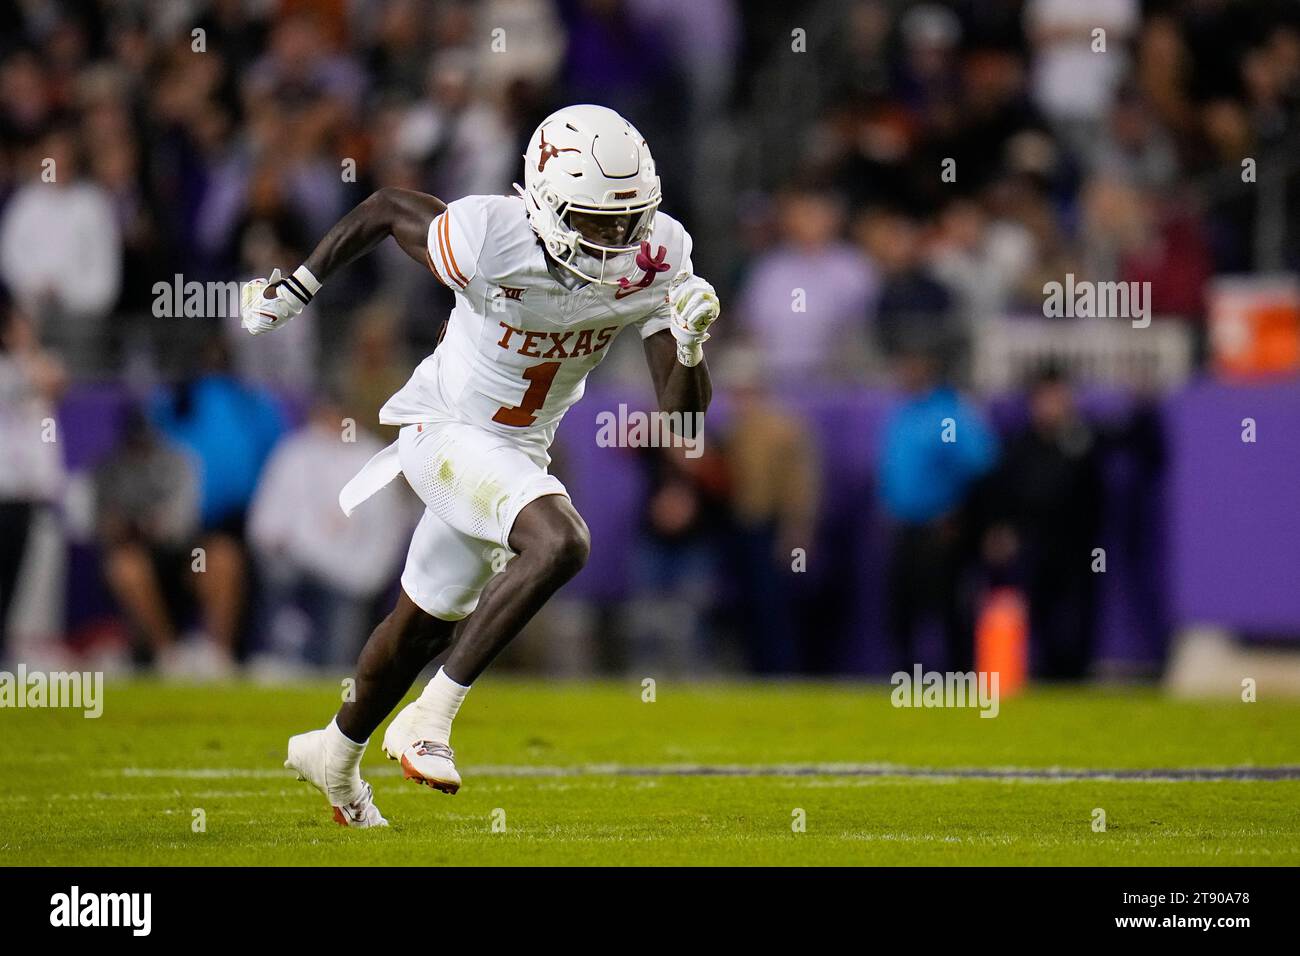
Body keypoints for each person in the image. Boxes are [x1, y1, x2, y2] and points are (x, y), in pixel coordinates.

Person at [240, 105, 720, 827]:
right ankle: (431, 717)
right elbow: (384, 208)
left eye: (629, 221)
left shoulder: (657, 255)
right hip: (445, 426)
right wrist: (299, 287)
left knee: (418, 627)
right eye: (597, 221)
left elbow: (683, 418)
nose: (619, 240)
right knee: (561, 540)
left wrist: (687, 344)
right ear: (547, 203)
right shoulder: (490, 233)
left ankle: (334, 757)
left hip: (516, 449)